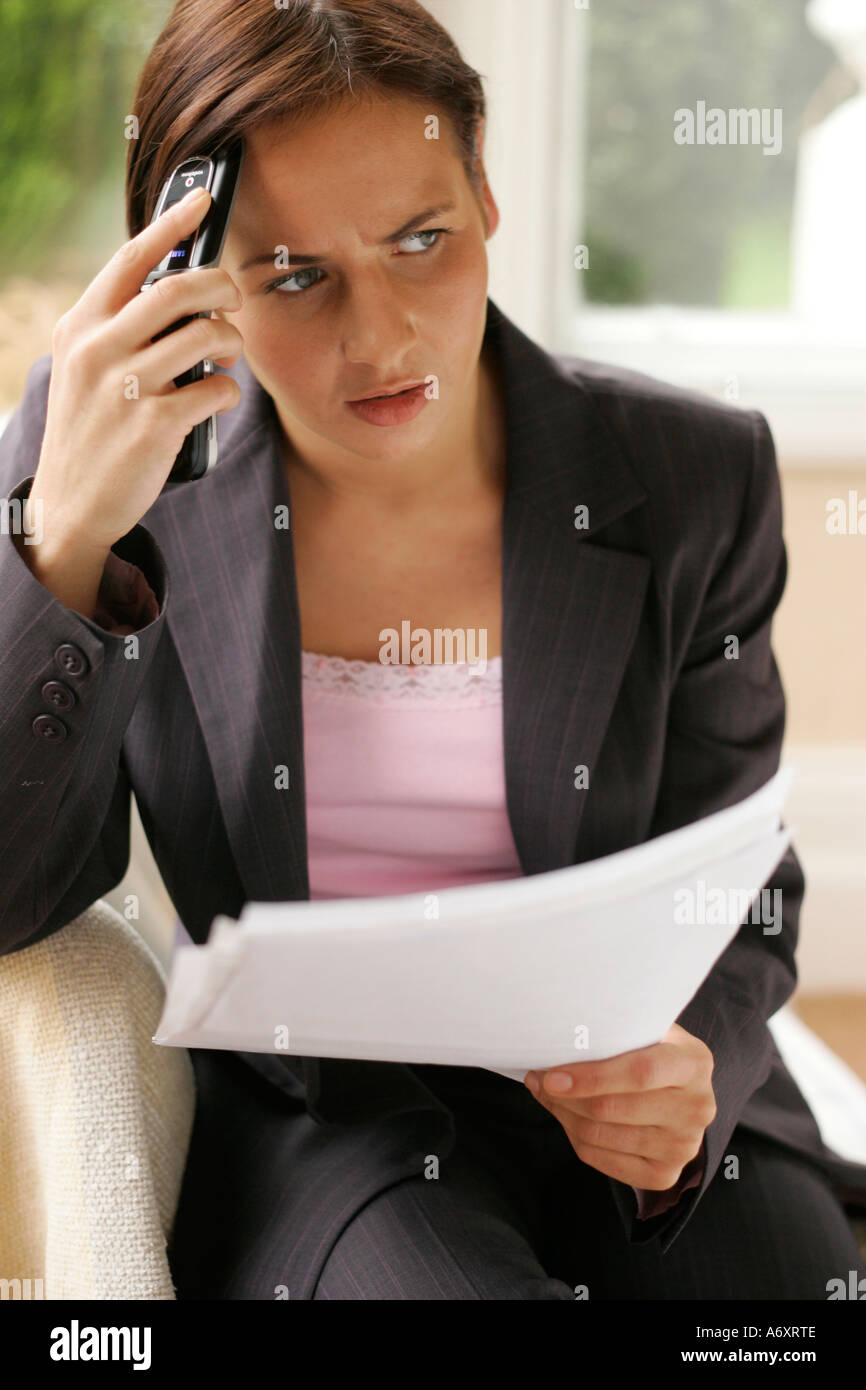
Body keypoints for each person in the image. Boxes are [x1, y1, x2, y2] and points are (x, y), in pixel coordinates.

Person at [1, 0, 864, 1301]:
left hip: (634, 1090)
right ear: (185, 277)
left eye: (421, 239)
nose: (382, 334)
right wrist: (67, 543)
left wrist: (683, 1058)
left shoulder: (687, 470)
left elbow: (739, 868)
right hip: (330, 1119)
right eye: (294, 275)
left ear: (489, 201)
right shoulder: (98, 463)